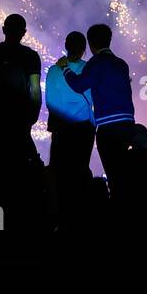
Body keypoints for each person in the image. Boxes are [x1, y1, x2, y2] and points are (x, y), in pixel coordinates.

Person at [59, 23, 135, 191]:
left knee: (114, 176)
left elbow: (79, 85)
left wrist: (65, 68)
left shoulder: (96, 62)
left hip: (109, 126)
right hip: (128, 125)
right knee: (123, 173)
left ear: (91, 44)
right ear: (109, 40)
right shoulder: (122, 64)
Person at [0, 14, 42, 169]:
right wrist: (32, 117)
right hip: (19, 121)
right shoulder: (31, 56)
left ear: (4, 29)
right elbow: (35, 90)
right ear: (24, 32)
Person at [46, 31, 96, 195]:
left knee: (59, 173)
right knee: (80, 171)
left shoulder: (54, 70)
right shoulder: (89, 68)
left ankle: (58, 214)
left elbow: (50, 102)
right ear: (84, 49)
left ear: (66, 46)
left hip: (61, 128)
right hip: (84, 129)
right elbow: (93, 97)